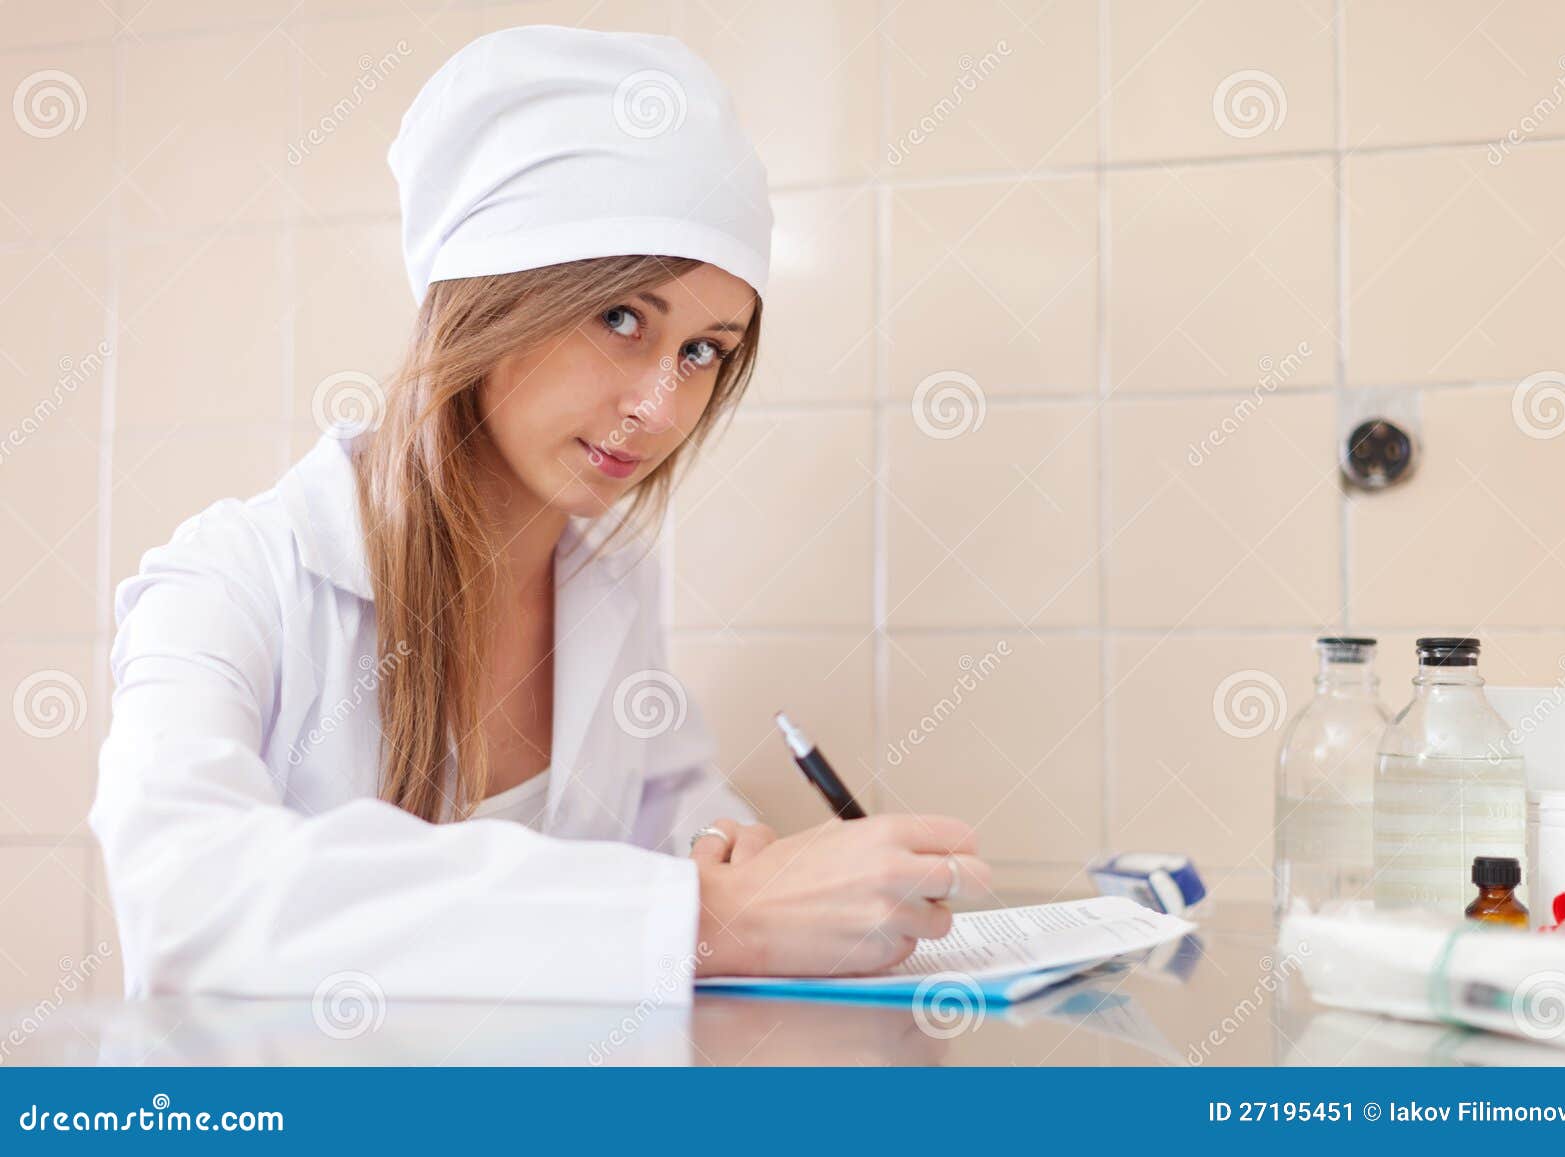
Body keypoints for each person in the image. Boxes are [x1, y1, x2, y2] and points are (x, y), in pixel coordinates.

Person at [89, 24, 989, 1004]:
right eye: (621, 319)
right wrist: (704, 916)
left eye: (703, 350)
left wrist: (743, 862)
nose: (659, 406)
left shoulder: (606, 578)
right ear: (486, 303)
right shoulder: (235, 581)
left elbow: (668, 802)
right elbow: (183, 899)